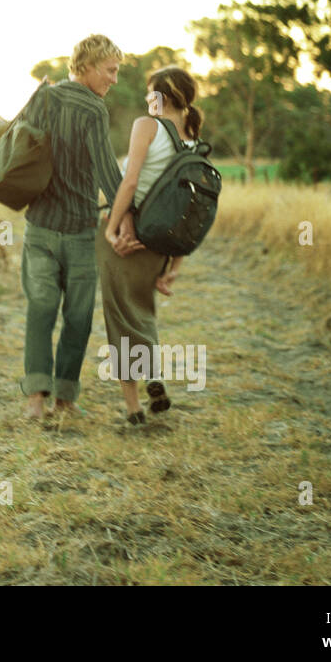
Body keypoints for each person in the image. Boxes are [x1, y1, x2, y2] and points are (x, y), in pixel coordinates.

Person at [15, 34, 143, 420]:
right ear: (87, 67)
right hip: (79, 232)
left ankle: (36, 401)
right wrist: (125, 222)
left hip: (38, 227)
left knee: (40, 308)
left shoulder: (45, 96)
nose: (114, 80)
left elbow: (18, 149)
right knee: (77, 315)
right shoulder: (93, 109)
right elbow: (108, 170)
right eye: (110, 71)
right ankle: (65, 400)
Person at [97, 65, 203, 425]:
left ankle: (134, 409)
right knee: (143, 308)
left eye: (149, 93)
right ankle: (152, 370)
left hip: (130, 231)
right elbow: (189, 205)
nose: (146, 99)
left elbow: (128, 184)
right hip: (162, 240)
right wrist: (175, 267)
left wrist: (112, 229)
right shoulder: (192, 137)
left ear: (161, 96)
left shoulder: (148, 125)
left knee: (119, 314)